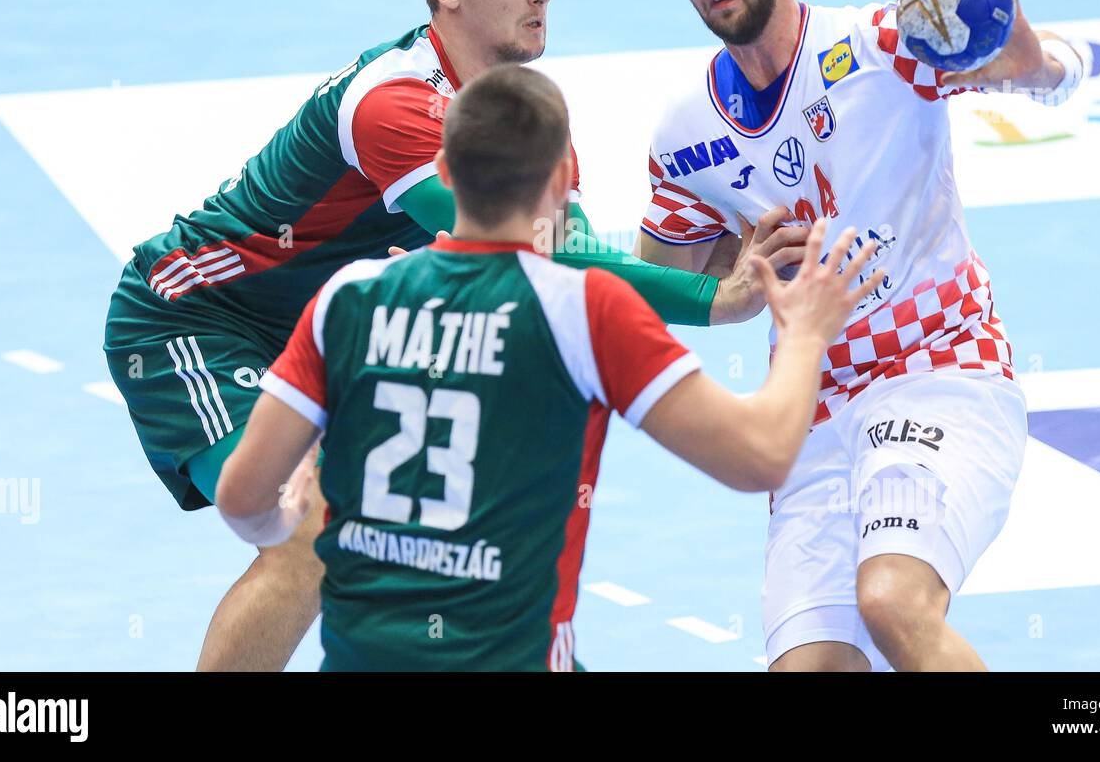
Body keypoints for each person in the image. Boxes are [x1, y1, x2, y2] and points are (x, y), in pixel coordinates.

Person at [103, 0, 800, 670]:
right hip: (196, 318)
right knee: (310, 535)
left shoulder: (508, 118)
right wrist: (720, 297)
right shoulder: (394, 104)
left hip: (329, 328)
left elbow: (560, 264)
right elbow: (553, 256)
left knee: (444, 520)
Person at [214, 64, 882, 670]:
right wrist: (805, 334)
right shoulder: (584, 310)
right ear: (563, 180)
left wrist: (283, 520)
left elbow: (243, 497)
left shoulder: (351, 298)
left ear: (445, 171)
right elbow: (758, 456)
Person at [635, 0, 1088, 671]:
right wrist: (739, 286)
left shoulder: (884, 47)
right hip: (810, 408)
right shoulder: (684, 133)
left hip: (938, 367)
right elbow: (663, 280)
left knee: (892, 602)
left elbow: (1043, 70)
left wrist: (1000, 14)